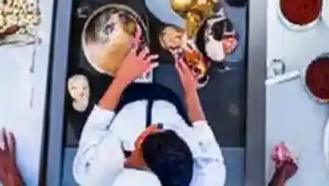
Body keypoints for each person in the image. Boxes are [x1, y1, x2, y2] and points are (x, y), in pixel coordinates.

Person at [73, 40, 224, 185]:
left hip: (123, 105)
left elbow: (98, 122)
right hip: (168, 101)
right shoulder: (210, 177)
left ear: (140, 140)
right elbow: (201, 129)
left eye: (159, 128)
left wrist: (122, 79)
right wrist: (190, 89)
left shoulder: (90, 175)